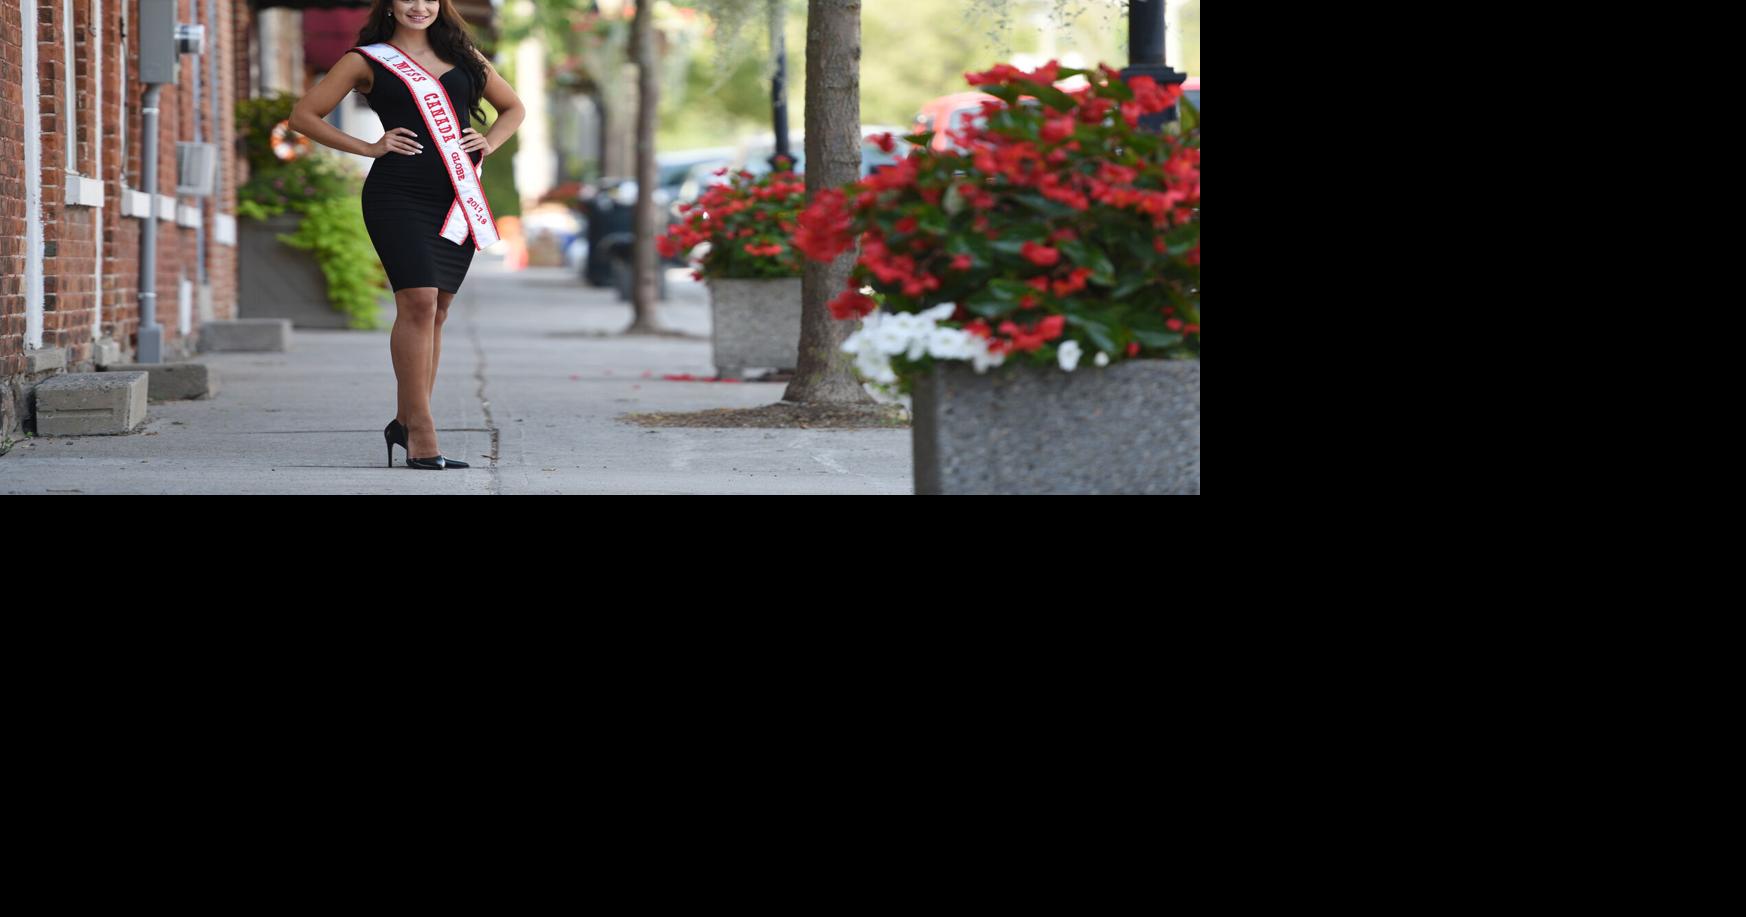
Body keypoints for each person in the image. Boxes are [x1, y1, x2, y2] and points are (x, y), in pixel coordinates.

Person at [290, 0, 524, 470]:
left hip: (456, 195)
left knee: (437, 309)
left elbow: (514, 108)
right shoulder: (366, 60)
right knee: (416, 299)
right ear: (390, 5)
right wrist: (369, 147)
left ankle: (403, 419)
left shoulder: (465, 56)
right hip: (398, 194)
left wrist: (489, 143)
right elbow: (304, 116)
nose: (419, 6)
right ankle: (422, 430)